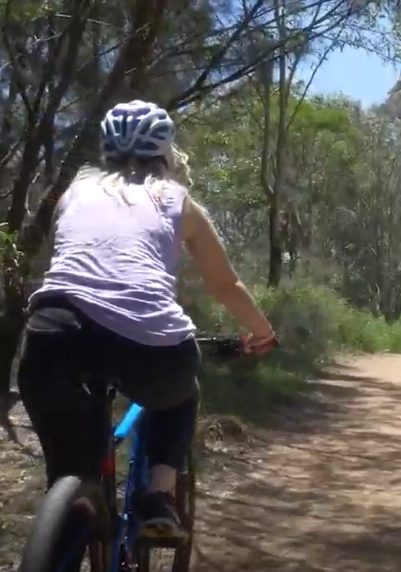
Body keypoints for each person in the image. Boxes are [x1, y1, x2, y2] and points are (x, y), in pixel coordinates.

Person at [17, 100, 279, 542]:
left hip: (51, 334)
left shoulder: (73, 193)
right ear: (166, 154)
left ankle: (68, 511)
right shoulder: (179, 202)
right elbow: (225, 285)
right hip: (148, 345)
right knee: (180, 392)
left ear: (107, 151)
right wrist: (263, 332)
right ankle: (157, 496)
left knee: (70, 471)